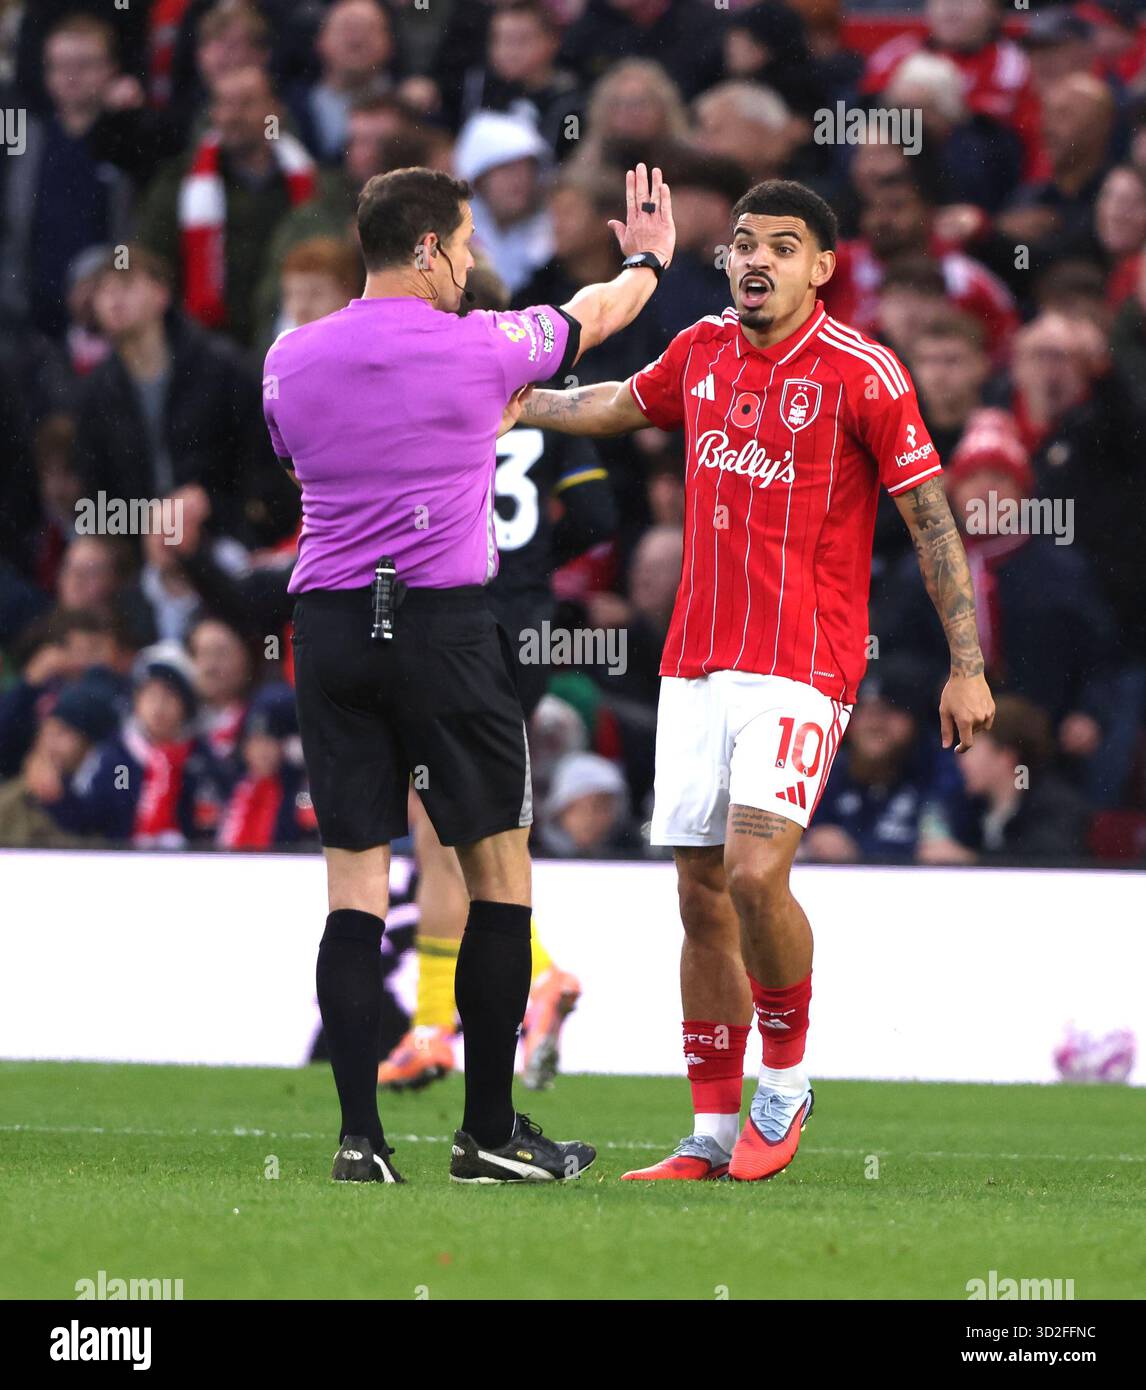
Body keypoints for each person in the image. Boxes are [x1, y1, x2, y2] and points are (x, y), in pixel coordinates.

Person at [508, 177, 995, 1182]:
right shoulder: (701, 348)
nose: (756, 260)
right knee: (698, 893)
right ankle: (711, 1130)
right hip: (694, 661)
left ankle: (788, 1075)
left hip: (802, 662)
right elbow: (616, 403)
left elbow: (931, 517)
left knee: (756, 872)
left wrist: (967, 662)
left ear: (821, 265)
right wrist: (525, 402)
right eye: (741, 244)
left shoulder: (864, 372)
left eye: (782, 244)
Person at [262, 161, 676, 1184]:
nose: (473, 260)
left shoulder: (286, 359)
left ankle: (359, 1141)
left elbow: (291, 467)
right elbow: (598, 314)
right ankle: (488, 1132)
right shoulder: (483, 348)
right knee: (499, 879)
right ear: (427, 249)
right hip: (445, 628)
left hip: (331, 629)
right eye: (464, 242)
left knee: (356, 891)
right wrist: (649, 258)